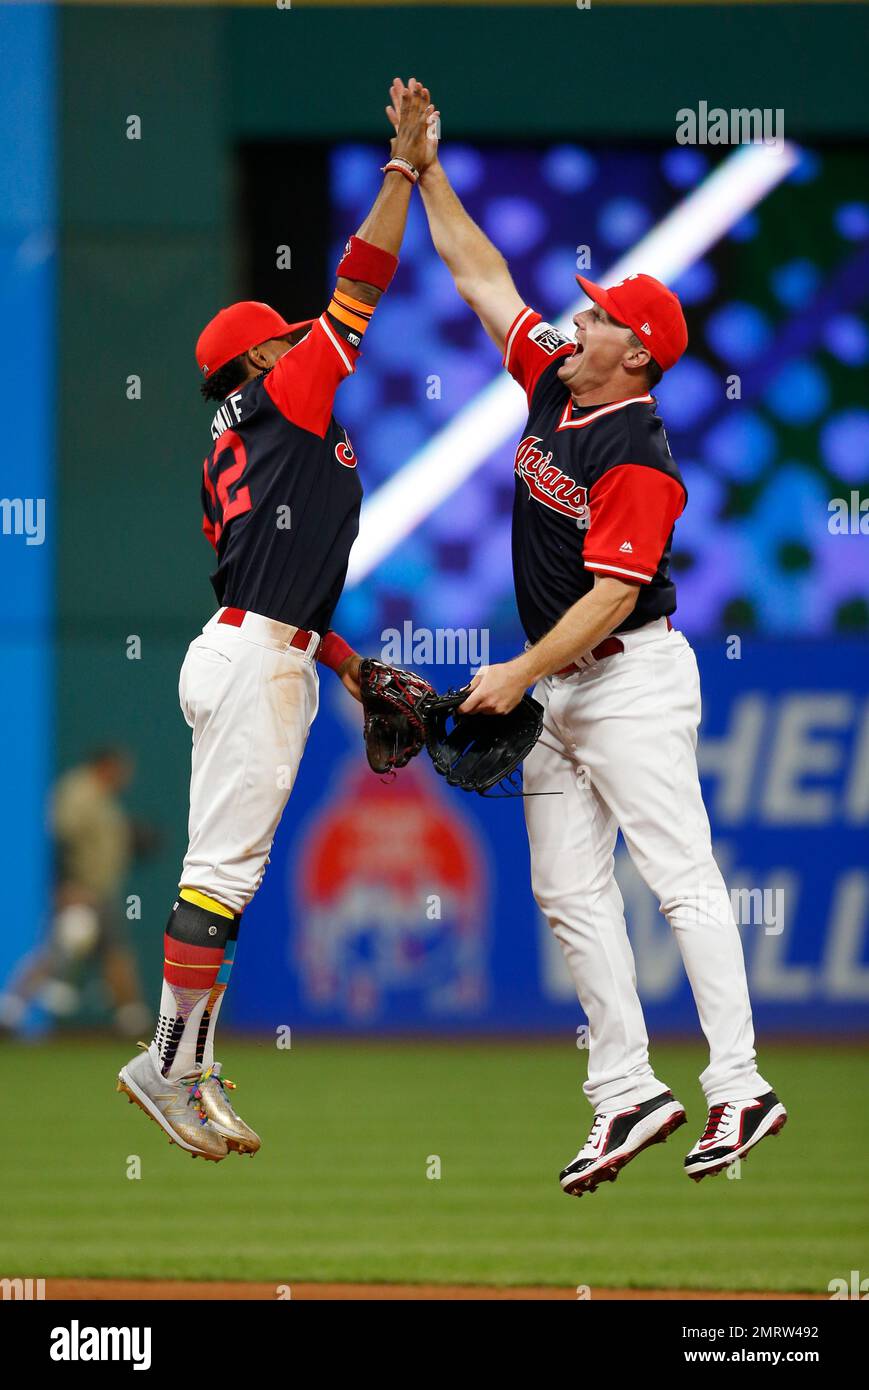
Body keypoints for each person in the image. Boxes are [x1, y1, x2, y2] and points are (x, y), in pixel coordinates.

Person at [387, 76, 786, 1192]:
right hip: (558, 689)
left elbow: (611, 598)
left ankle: (739, 1082)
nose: (581, 316)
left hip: (629, 679)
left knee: (679, 876)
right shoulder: (553, 389)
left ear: (638, 354)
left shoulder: (640, 457)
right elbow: (477, 277)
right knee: (567, 888)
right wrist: (425, 171)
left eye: (603, 314)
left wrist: (513, 670)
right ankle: (624, 1090)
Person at [117, 80, 439, 1163]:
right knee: (218, 876)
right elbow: (362, 281)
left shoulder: (242, 436)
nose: (309, 344)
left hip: (266, 646)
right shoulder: (289, 394)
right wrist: (401, 168)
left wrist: (343, 664)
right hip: (253, 659)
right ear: (259, 360)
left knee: (230, 873)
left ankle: (189, 1065)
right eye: (286, 340)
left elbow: (282, 576)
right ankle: (164, 1064)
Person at [0, 747, 150, 1038]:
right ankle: (9, 1010)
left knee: (116, 952)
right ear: (107, 765)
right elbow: (60, 839)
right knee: (59, 949)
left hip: (101, 891)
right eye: (122, 769)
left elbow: (103, 844)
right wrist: (65, 885)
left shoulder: (103, 799)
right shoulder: (79, 793)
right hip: (79, 889)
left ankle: (133, 1021)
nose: (126, 777)